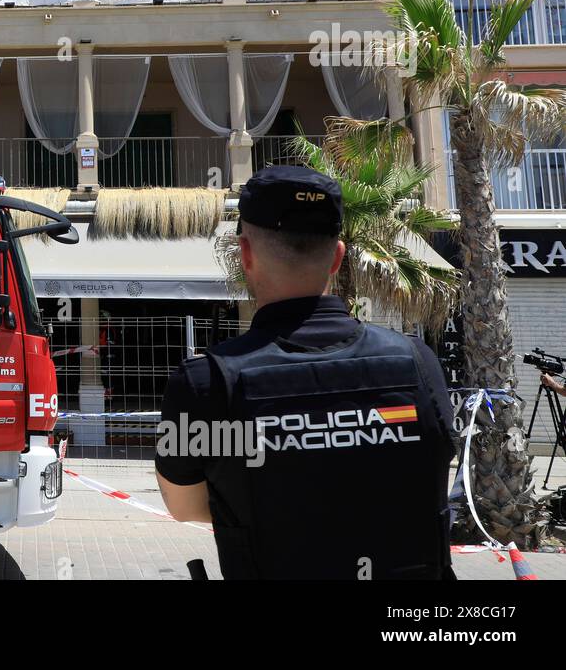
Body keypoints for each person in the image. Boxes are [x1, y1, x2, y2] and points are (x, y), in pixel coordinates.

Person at [155, 165, 457, 580]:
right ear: (337, 257)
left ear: (245, 255)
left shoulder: (205, 382)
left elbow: (185, 507)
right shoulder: (418, 361)